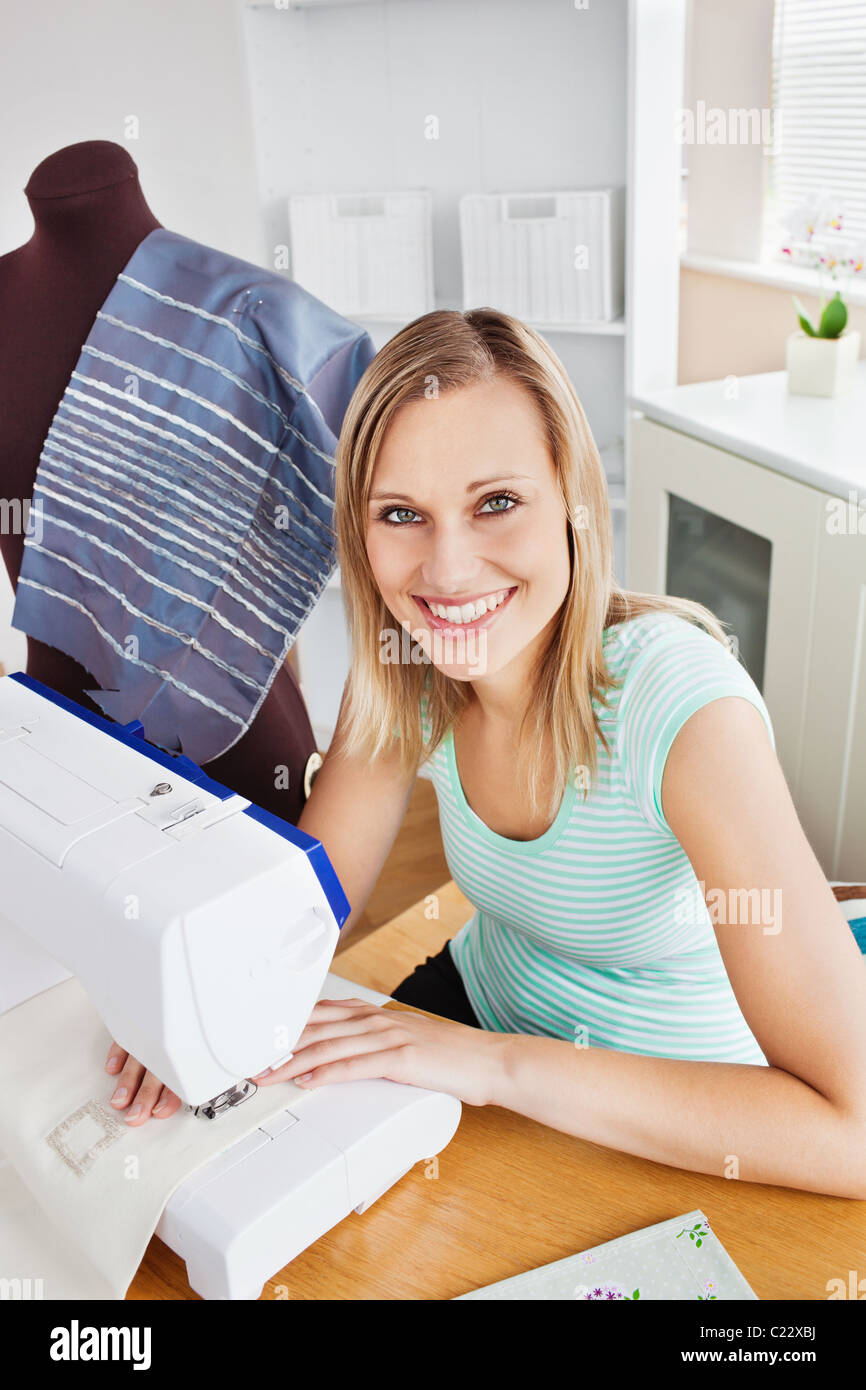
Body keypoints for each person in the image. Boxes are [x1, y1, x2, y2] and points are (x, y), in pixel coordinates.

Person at [105, 309, 866, 1199]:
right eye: (402, 515)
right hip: (478, 1016)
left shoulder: (688, 714)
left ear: (572, 501)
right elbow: (315, 913)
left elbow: (852, 1132)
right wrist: (196, 1007)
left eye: (496, 502)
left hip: (682, 1103)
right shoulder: (407, 673)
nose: (449, 570)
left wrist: (499, 1067)